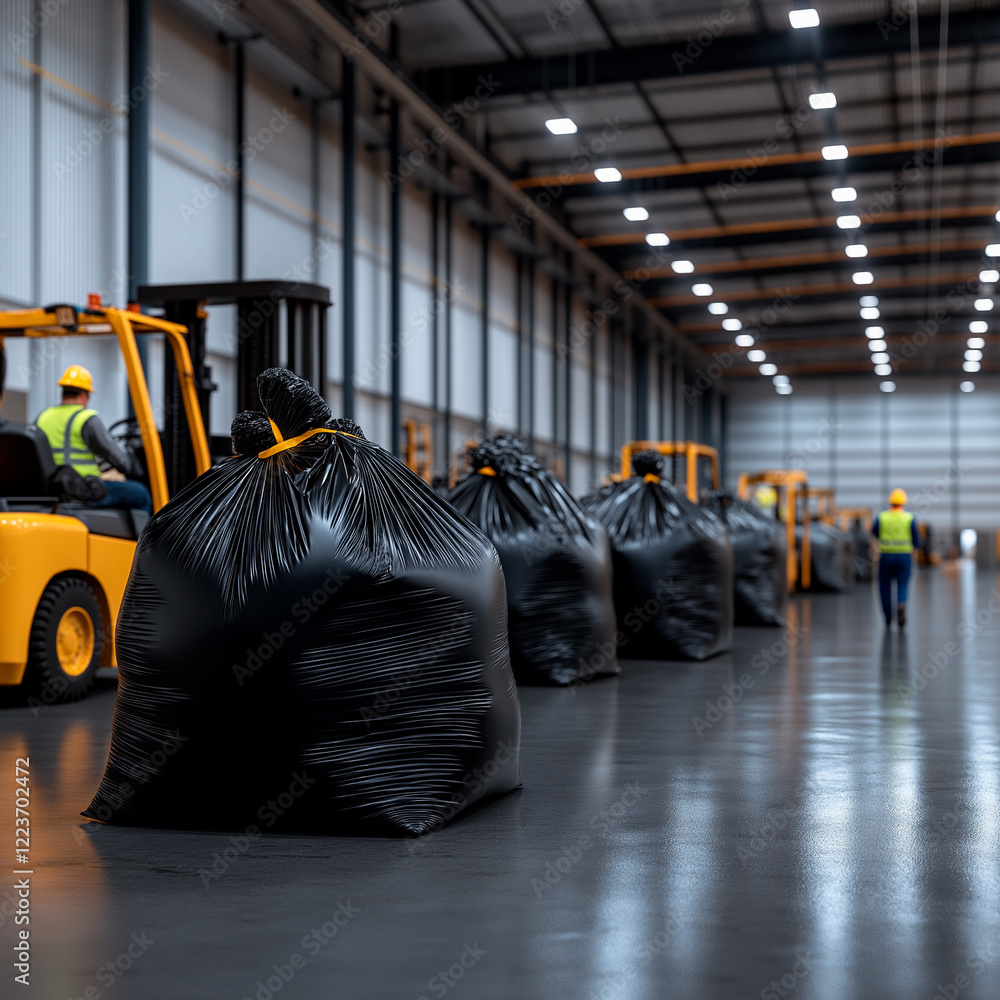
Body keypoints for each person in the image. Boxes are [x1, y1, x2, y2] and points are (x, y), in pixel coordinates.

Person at [35, 364, 152, 513]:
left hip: (52, 489)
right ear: (84, 396)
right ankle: (147, 530)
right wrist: (133, 467)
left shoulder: (42, 417)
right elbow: (116, 457)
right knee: (142, 494)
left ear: (63, 392)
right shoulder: (86, 419)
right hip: (84, 490)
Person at [872, 488, 919, 628]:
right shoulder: (909, 518)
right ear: (903, 503)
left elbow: (874, 532)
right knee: (903, 584)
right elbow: (916, 539)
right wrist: (915, 549)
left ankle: (888, 617)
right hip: (904, 556)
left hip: (886, 556)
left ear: (890, 502)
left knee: (885, 586)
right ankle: (901, 604)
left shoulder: (882, 517)